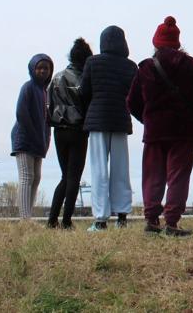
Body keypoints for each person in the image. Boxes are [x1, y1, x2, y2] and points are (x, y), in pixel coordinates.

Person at [128, 16, 193, 237]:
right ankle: (171, 223)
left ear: (156, 43)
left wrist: (148, 119)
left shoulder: (145, 67)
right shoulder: (191, 65)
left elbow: (131, 102)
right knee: (178, 176)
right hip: (183, 131)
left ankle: (151, 220)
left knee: (153, 175)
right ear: (177, 43)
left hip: (154, 131)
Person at [80, 26, 137, 232]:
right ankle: (122, 216)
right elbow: (135, 95)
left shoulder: (92, 62)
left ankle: (100, 220)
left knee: (99, 171)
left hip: (98, 119)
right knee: (121, 169)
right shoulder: (131, 66)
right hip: (120, 119)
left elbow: (84, 92)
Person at [47, 38, 93, 229]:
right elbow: (89, 103)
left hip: (59, 131)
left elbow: (49, 104)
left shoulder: (57, 77)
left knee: (65, 176)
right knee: (74, 176)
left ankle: (51, 220)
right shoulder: (85, 79)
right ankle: (66, 221)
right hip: (78, 131)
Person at [11, 54, 53, 220]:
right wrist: (35, 136)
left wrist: (45, 139)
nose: (42, 71)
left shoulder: (44, 92)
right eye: (39, 67)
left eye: (46, 68)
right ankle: (24, 218)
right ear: (33, 69)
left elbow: (46, 120)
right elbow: (21, 113)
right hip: (24, 139)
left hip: (38, 142)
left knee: (36, 178)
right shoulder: (27, 87)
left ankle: (28, 214)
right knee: (26, 177)